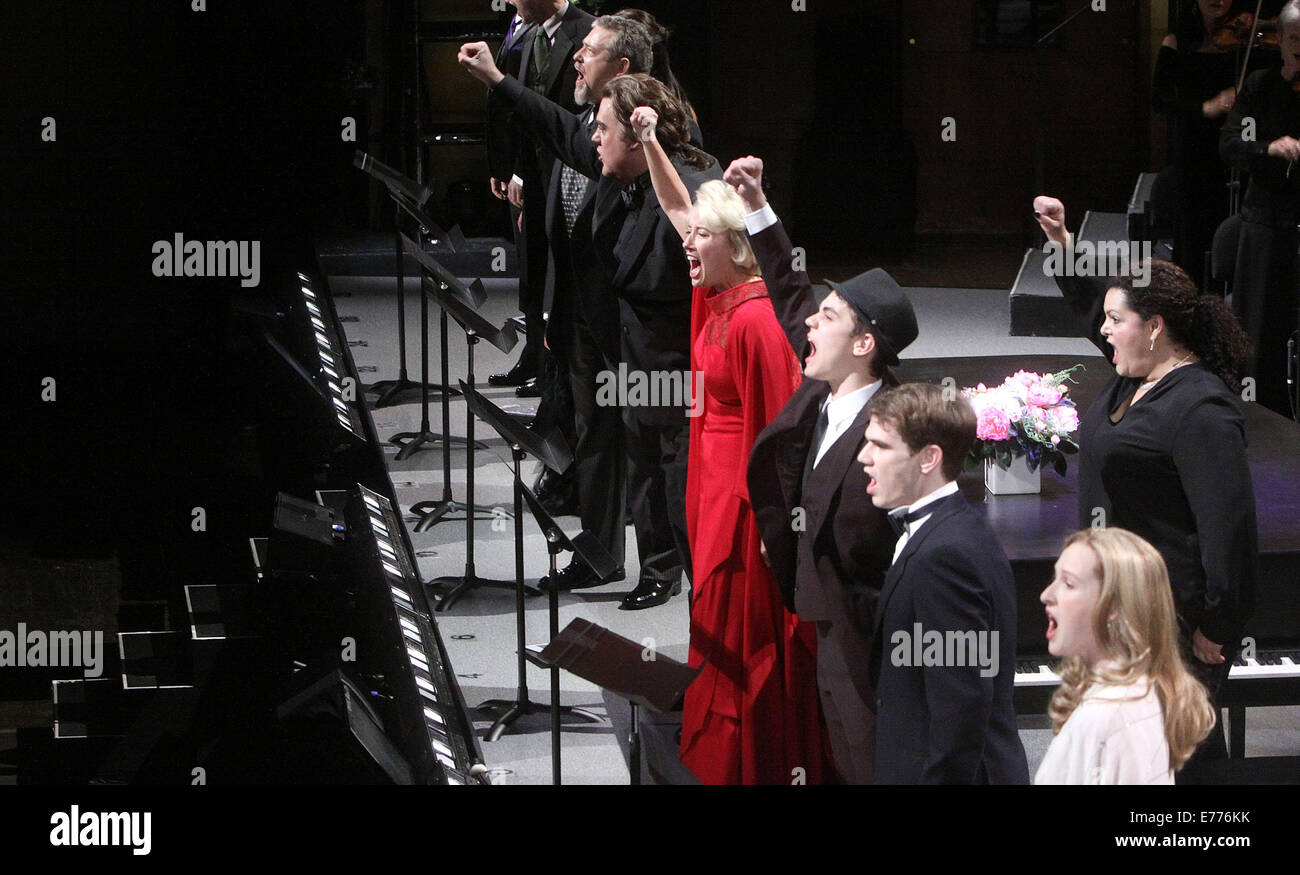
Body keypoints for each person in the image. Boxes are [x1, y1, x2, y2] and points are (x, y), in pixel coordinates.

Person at [460, 41, 722, 608]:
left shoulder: (691, 180)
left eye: (603, 128)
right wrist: (496, 80)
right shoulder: (613, 171)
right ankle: (654, 568)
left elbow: (690, 230)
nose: (593, 137)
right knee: (641, 464)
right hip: (625, 346)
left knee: (678, 482)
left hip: (679, 362)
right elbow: (557, 126)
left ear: (637, 135)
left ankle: (699, 592)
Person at [628, 110, 823, 783]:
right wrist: (649, 141)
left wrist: (775, 526)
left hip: (743, 509)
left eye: (702, 237)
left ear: (735, 244)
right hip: (709, 497)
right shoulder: (711, 298)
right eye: (691, 235)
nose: (687, 244)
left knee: (748, 639)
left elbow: (783, 431)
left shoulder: (755, 320)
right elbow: (676, 207)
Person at [1034, 195, 1258, 759]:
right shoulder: (1134, 373)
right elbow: (1093, 308)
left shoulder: (1201, 410)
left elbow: (1228, 528)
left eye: (1117, 321)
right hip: (1123, 612)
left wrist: (1217, 625)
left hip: (1174, 627)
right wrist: (1063, 245)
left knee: (1176, 763)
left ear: (1154, 327)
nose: (1104, 331)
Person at [728, 156, 917, 784]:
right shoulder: (822, 390)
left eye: (829, 318)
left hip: (865, 631)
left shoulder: (895, 426)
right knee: (837, 749)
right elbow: (789, 289)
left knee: (869, 759)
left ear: (865, 344)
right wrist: (757, 202)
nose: (810, 322)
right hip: (816, 611)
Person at [532, 14, 657, 591]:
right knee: (596, 439)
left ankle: (662, 567)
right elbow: (564, 227)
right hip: (579, 312)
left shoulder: (654, 137)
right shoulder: (591, 119)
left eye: (588, 50)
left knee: (643, 441)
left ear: (622, 67)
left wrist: (498, 84)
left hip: (630, 321)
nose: (576, 58)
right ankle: (601, 553)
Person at [858, 383, 1029, 784]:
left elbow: (961, 707)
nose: (864, 458)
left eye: (880, 447)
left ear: (928, 458)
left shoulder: (945, 558)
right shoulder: (948, 530)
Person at [1036, 528, 1216, 784]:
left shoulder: (1108, 717)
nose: (1047, 595)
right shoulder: (1140, 691)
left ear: (1111, 606)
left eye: (1068, 583)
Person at [484, 0, 593, 397]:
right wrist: (516, 170)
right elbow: (522, 112)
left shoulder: (591, 31)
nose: (509, 2)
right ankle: (536, 359)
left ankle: (558, 374)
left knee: (561, 277)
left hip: (574, 179)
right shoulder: (528, 33)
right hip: (533, 177)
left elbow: (574, 120)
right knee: (531, 271)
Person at [1220, 0, 1300, 418]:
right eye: (1295, 38)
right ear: (1282, 40)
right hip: (1265, 223)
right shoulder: (1260, 86)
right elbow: (1231, 144)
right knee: (1260, 324)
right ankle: (1259, 407)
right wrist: (1267, 148)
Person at [1151, 0, 1243, 287]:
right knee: (1192, 225)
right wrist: (1206, 108)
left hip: (1234, 144)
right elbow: (1159, 99)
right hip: (1194, 145)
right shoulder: (1176, 41)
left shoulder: (1247, 39)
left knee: (1227, 224)